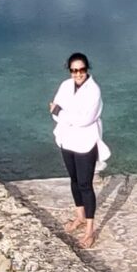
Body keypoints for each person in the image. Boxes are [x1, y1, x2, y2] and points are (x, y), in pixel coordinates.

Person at [50, 51, 103, 247]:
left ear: (87, 69)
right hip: (67, 139)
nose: (78, 74)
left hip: (86, 142)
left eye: (81, 70)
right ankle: (79, 215)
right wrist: (62, 113)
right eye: (74, 70)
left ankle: (90, 229)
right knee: (73, 179)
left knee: (85, 185)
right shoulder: (65, 86)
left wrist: (61, 111)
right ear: (70, 71)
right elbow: (54, 112)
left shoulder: (93, 91)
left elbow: (84, 120)